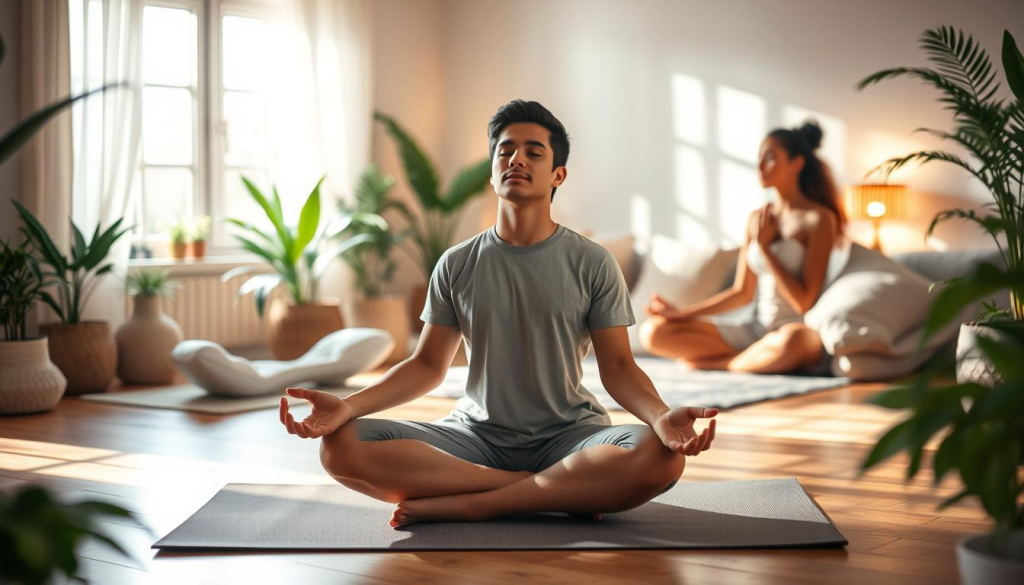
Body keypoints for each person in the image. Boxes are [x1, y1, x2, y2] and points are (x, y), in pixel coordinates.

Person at [279, 100, 717, 529]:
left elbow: (619, 367)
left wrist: (659, 416)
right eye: (505, 151)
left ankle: (478, 505)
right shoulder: (456, 263)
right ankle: (546, 492)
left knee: (660, 455)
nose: (516, 159)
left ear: (557, 175)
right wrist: (348, 407)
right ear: (492, 173)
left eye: (533, 152)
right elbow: (428, 365)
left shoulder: (593, 262)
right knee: (342, 447)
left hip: (571, 437)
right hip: (475, 439)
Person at [639, 122, 845, 374]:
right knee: (653, 332)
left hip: (795, 330)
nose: (759, 167)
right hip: (753, 330)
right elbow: (742, 292)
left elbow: (804, 303)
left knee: (796, 341)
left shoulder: (819, 218)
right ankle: (753, 361)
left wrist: (767, 251)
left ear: (797, 163)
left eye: (770, 158)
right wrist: (683, 314)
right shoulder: (756, 218)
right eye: (758, 158)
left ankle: (725, 364)